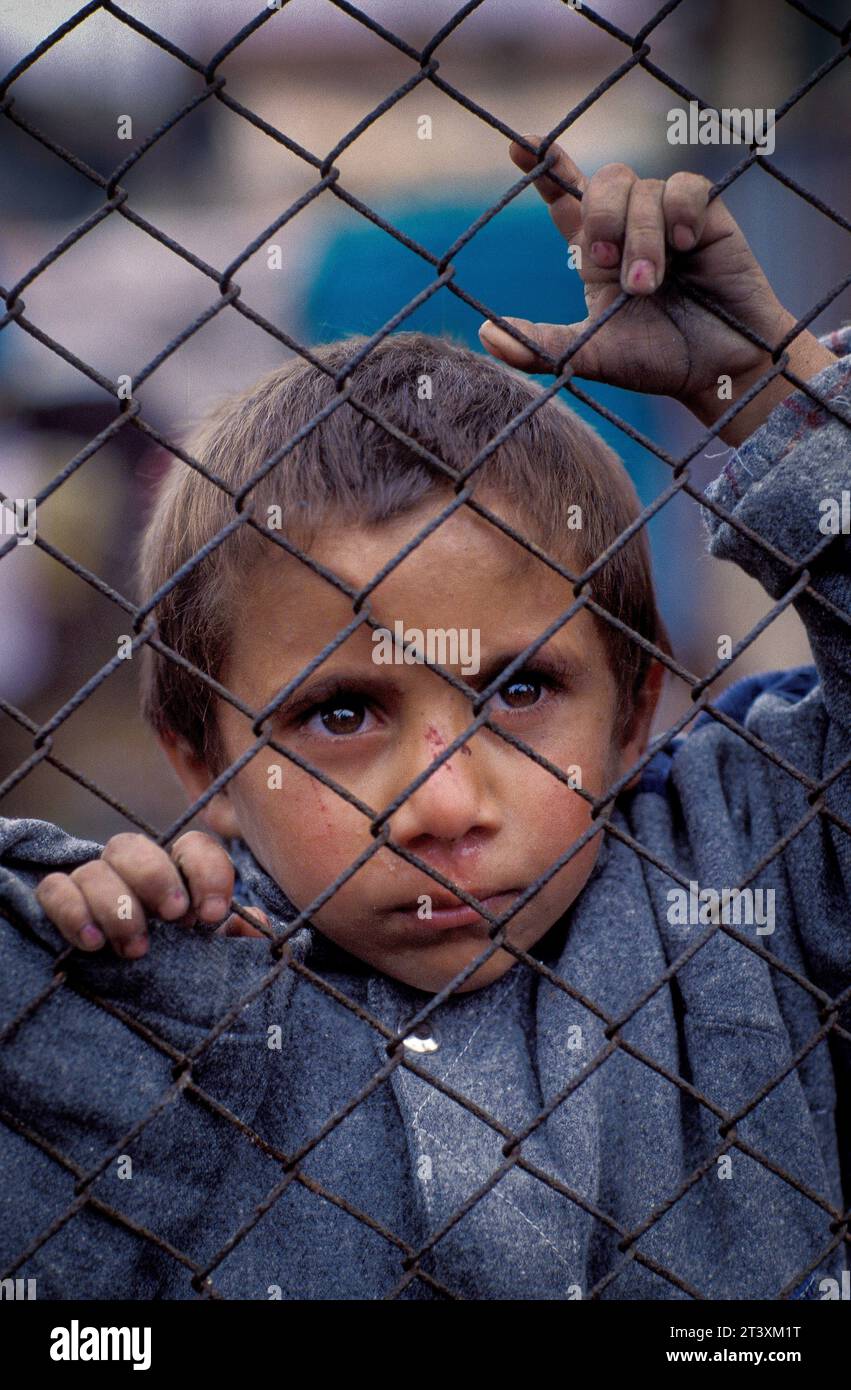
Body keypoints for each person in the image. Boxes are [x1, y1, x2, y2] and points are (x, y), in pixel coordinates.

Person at [1, 140, 849, 1300]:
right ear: (203, 760)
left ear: (633, 709)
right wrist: (83, 945)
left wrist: (762, 393)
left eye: (519, 691)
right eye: (342, 711)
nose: (444, 805)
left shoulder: (749, 863)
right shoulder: (176, 989)